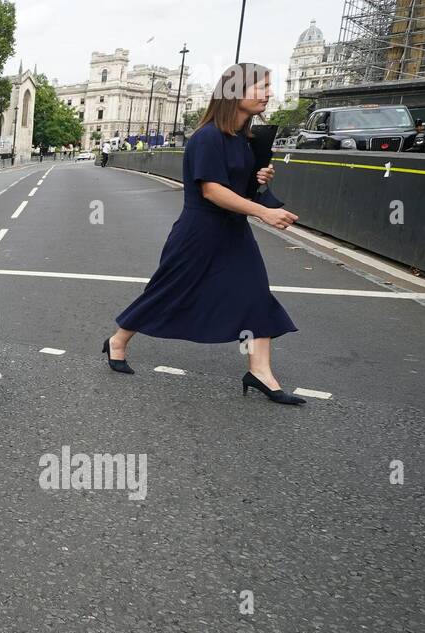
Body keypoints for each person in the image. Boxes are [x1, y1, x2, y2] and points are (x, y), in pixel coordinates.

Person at [106, 62, 303, 404]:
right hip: (199, 231)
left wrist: (258, 182)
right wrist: (265, 212)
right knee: (169, 291)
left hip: (233, 231)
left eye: (269, 87)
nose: (269, 94)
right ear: (234, 92)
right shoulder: (208, 136)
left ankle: (260, 371)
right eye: (262, 87)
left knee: (256, 294)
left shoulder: (245, 140)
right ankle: (117, 341)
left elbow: (236, 190)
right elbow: (212, 191)